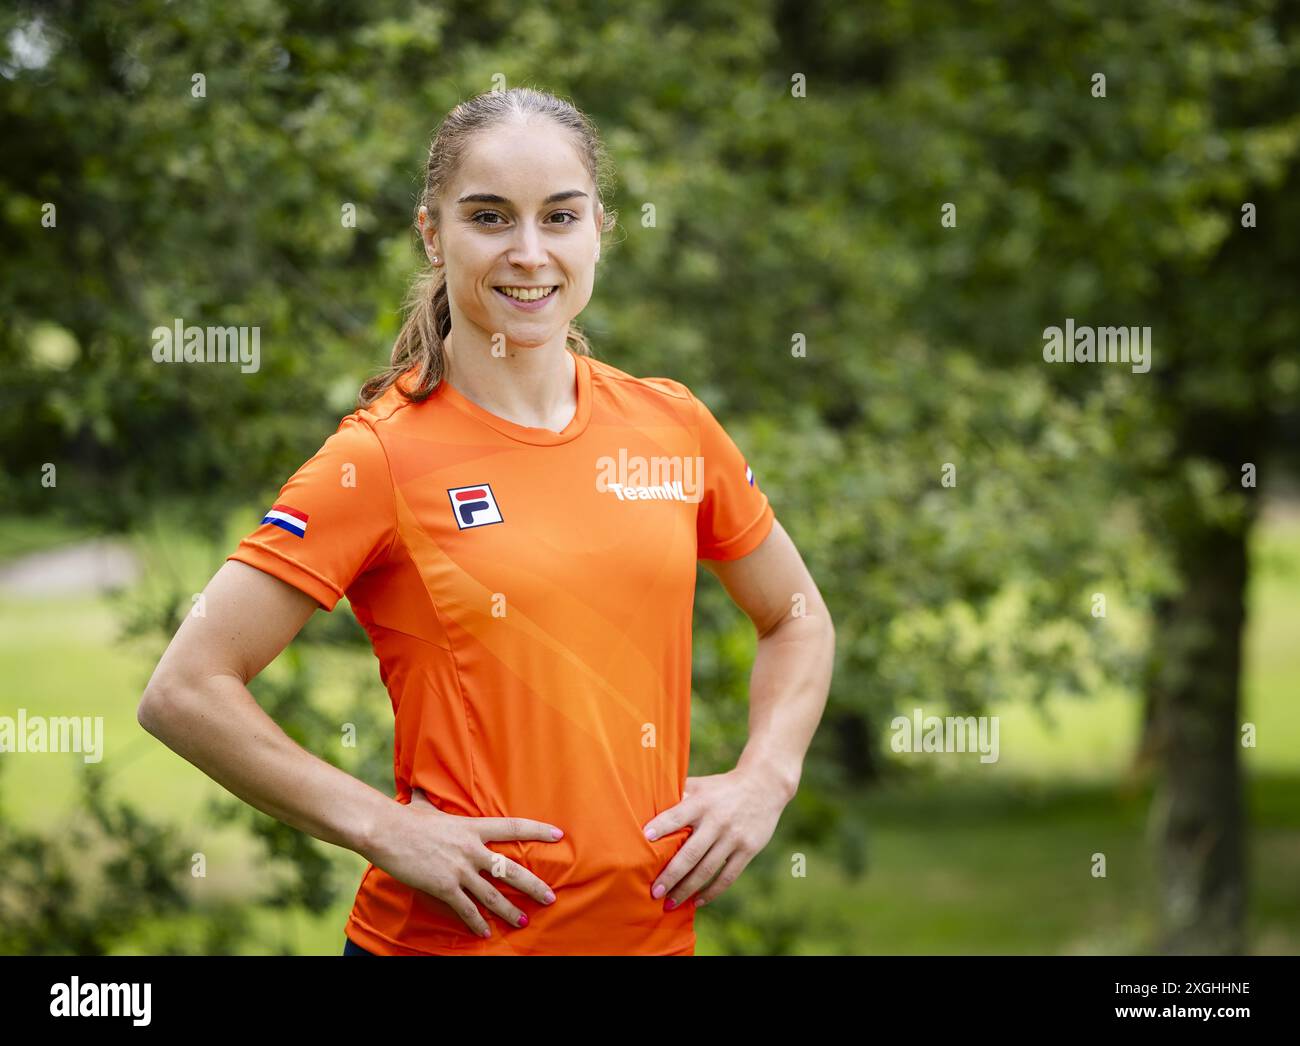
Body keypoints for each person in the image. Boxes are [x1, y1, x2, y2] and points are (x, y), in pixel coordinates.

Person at [137, 86, 835, 956]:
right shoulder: (380, 458)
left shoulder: (672, 426)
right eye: (491, 217)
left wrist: (766, 776)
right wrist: (381, 829)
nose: (530, 253)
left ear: (598, 231)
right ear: (433, 232)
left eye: (560, 217)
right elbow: (185, 690)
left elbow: (796, 618)